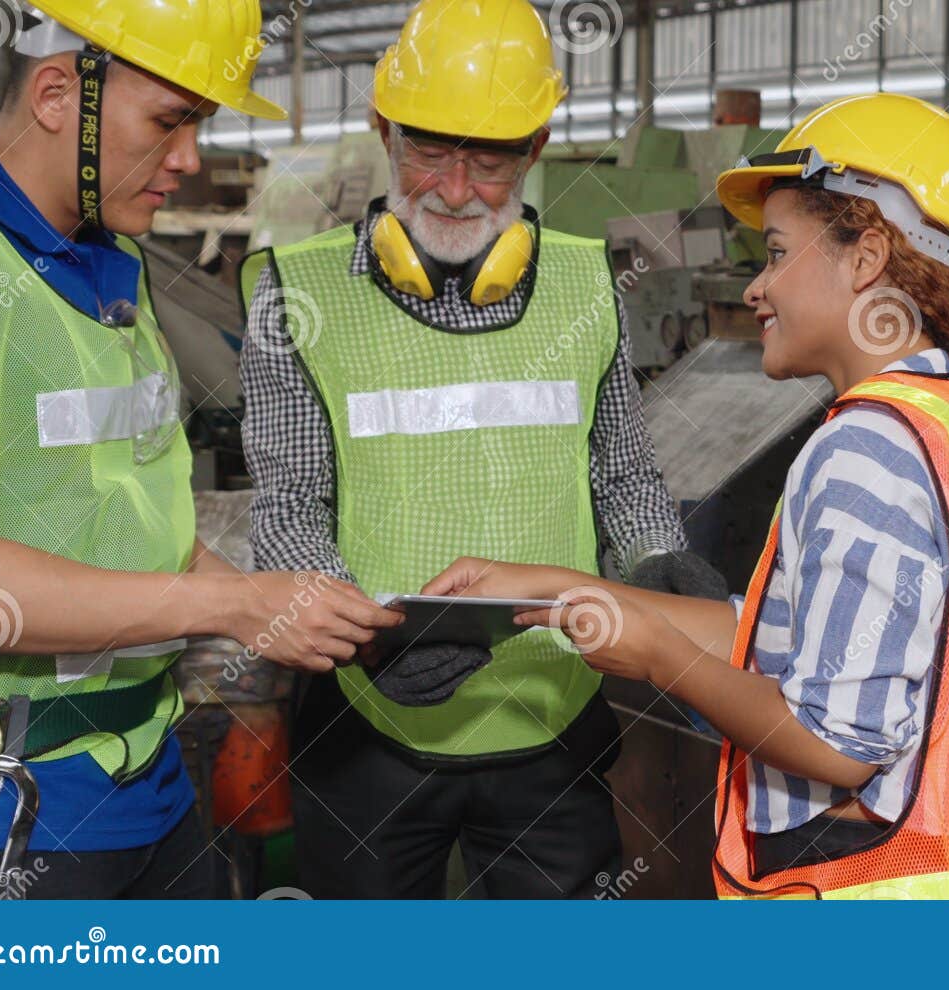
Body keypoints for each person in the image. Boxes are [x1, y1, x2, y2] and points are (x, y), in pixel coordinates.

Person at [423, 93, 949, 899]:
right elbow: (781, 644)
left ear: (866, 257)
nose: (757, 288)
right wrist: (554, 586)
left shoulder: (868, 447)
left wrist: (657, 656)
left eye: (774, 253)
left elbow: (840, 744)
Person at [240, 0, 722, 900]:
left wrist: (656, 552)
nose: (454, 189)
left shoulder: (588, 282)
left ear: (535, 148)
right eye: (427, 150)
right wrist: (364, 638)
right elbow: (289, 509)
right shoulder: (293, 295)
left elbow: (618, 470)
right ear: (382, 127)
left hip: (554, 716)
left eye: (490, 160)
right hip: (366, 729)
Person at [0, 1, 402, 900]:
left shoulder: (112, 259)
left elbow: (125, 520)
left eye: (200, 125)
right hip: (19, 800)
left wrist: (296, 611)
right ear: (55, 95)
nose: (190, 159)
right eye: (169, 122)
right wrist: (231, 606)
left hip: (150, 774)